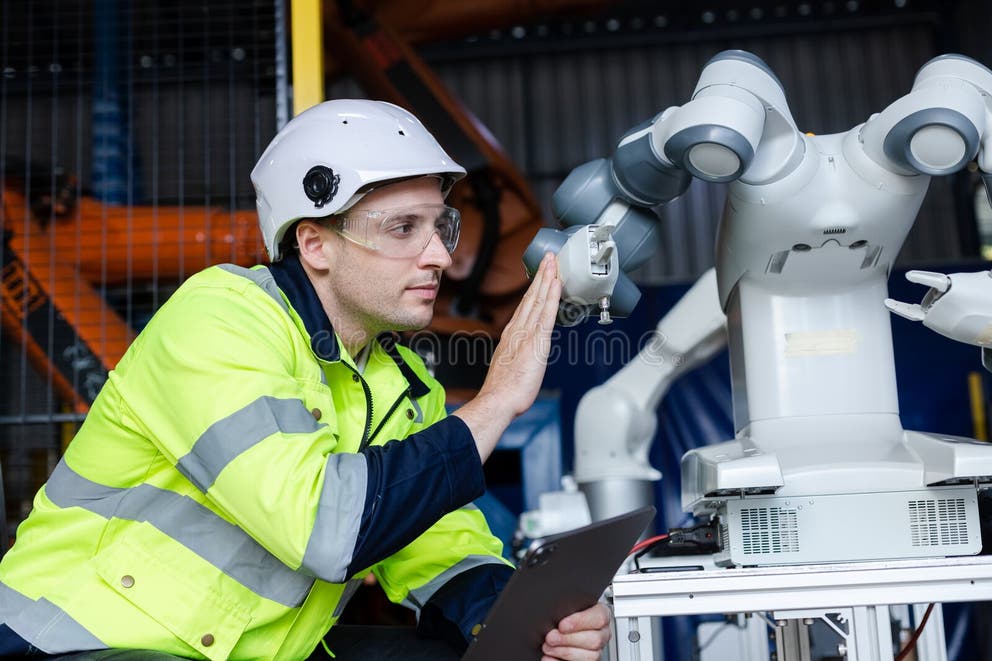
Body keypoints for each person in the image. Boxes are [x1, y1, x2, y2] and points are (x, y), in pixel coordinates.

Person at [0, 99, 611, 661]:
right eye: (404, 229)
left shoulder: (402, 381)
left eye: (439, 226)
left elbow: (440, 545)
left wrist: (523, 623)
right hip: (79, 639)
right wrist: (497, 400)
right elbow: (325, 528)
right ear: (315, 244)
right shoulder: (220, 318)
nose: (440, 256)